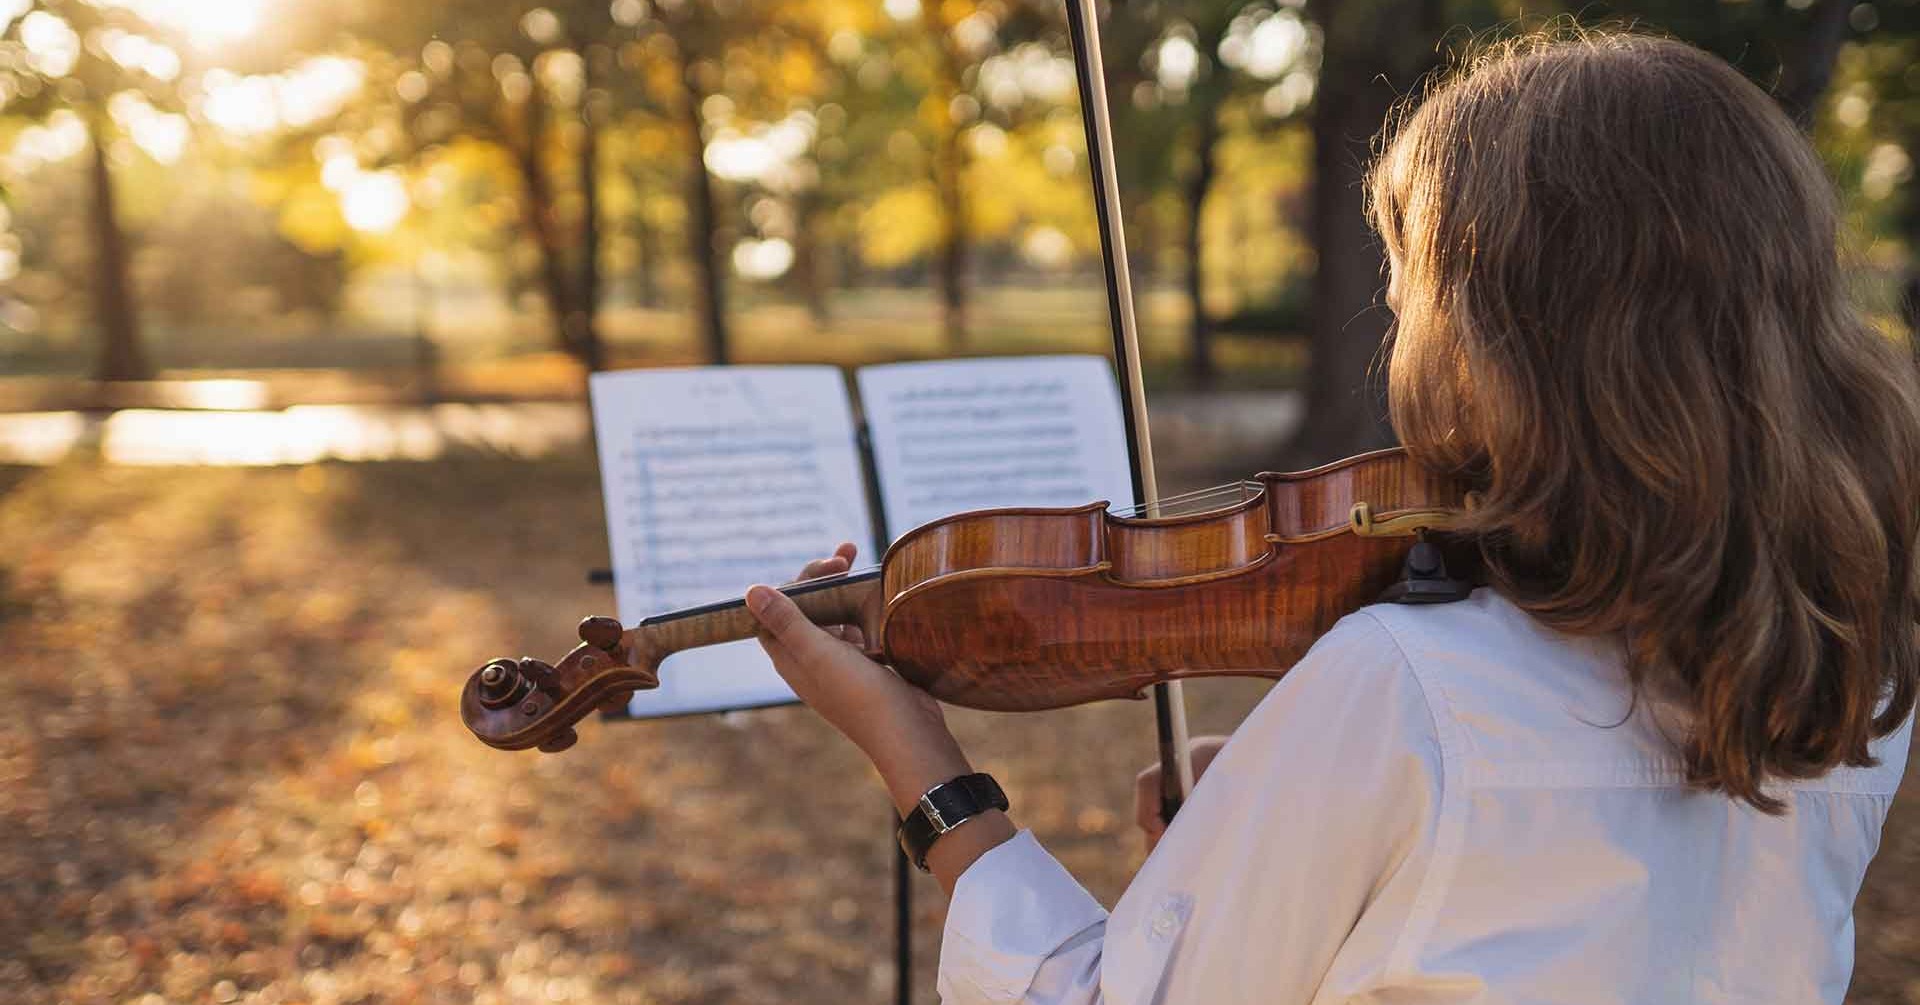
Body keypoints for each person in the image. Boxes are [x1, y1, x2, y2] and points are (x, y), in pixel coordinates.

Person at [746, 30, 1920, 1004]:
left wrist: (924, 767)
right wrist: (1300, 823)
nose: (1403, 332)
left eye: (1411, 297)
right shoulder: (1844, 665)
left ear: (1501, 341)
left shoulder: (1409, 684)